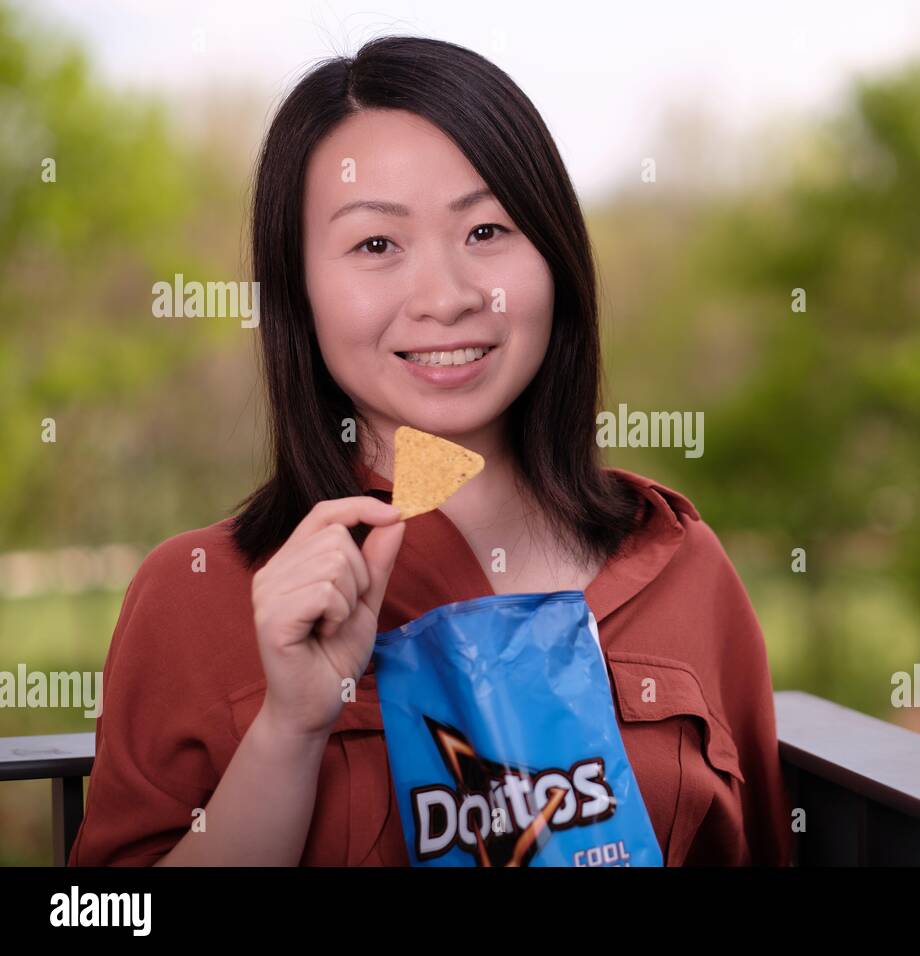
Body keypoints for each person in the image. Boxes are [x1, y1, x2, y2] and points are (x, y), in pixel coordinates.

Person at [69, 35, 792, 867]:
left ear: (554, 256)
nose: (448, 297)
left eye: (487, 230)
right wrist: (289, 730)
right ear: (297, 289)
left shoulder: (680, 567)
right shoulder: (196, 597)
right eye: (376, 245)